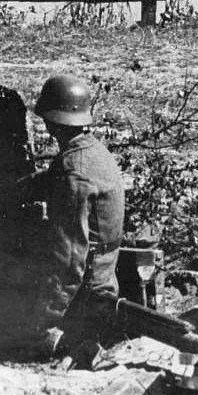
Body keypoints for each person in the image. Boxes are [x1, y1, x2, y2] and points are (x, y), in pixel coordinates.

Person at [24, 74, 125, 355]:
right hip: (103, 277)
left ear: (51, 120)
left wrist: (44, 320)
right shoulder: (91, 151)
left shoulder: (74, 169)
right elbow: (56, 179)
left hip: (87, 295)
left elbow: (70, 258)